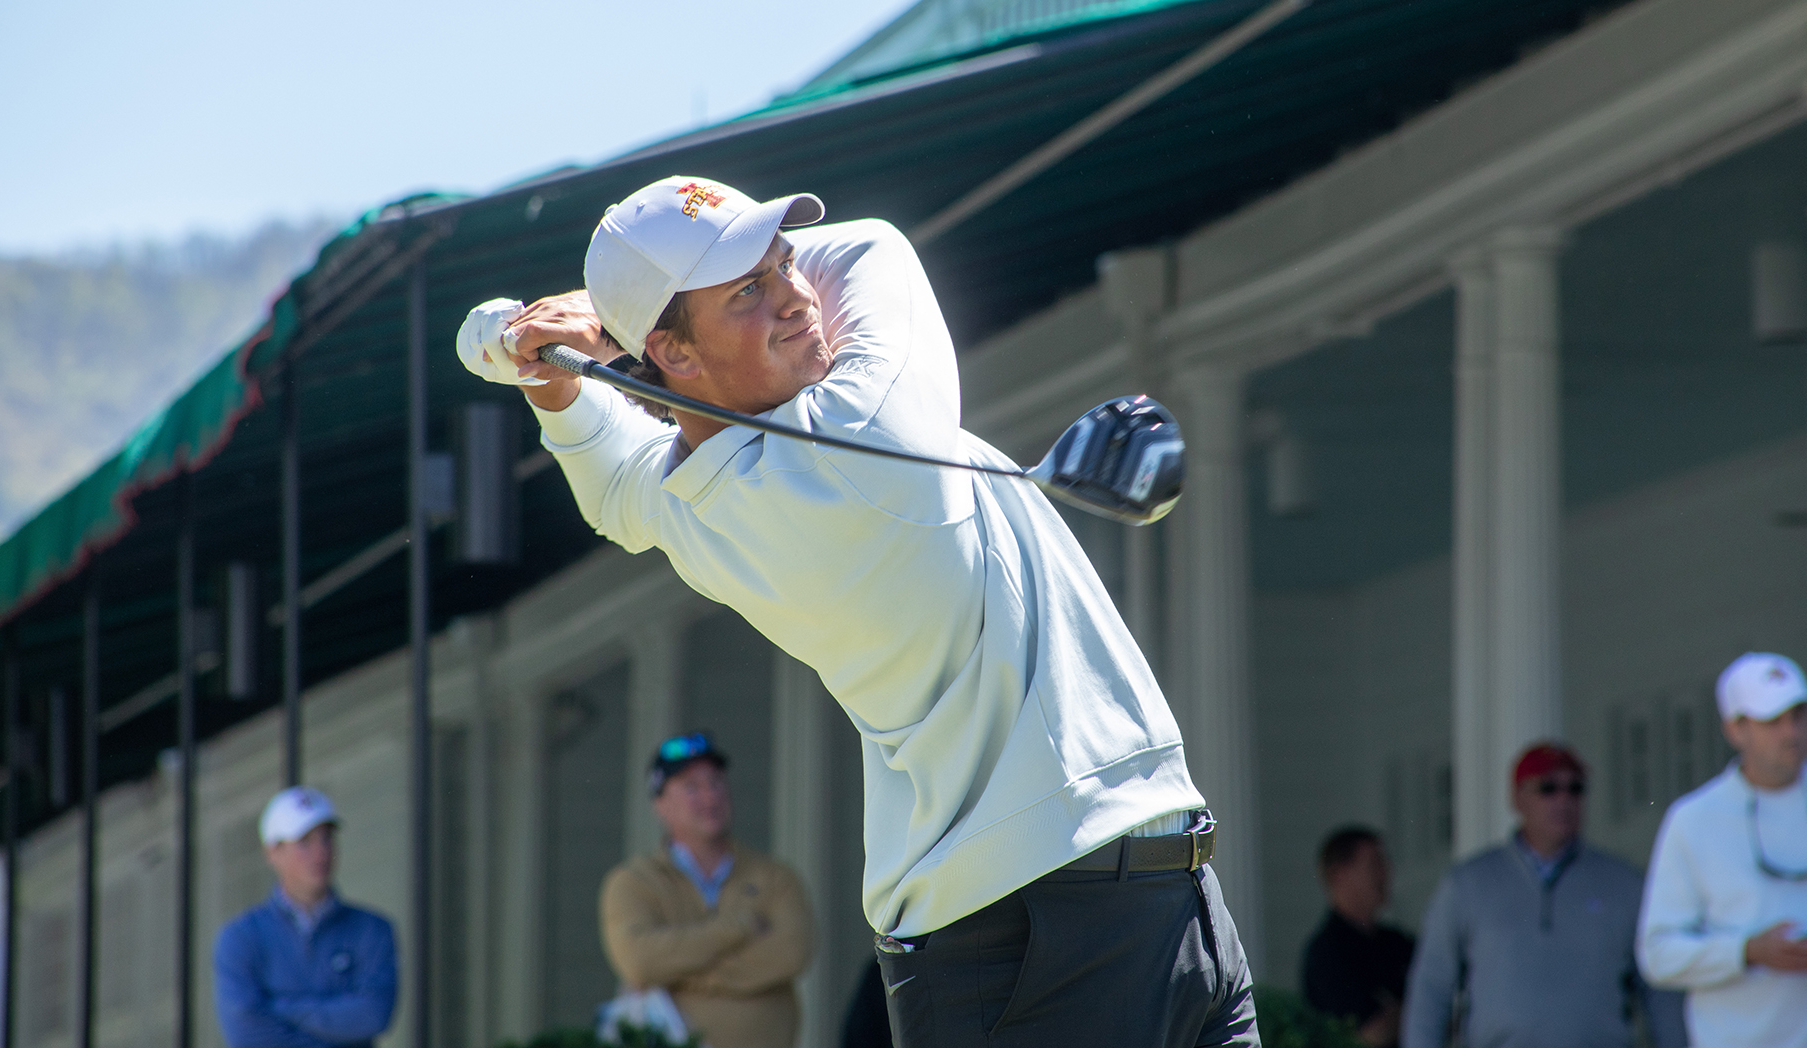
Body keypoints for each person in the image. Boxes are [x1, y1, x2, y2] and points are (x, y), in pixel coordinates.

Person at [454, 176, 1249, 1047]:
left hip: (1145, 902)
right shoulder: (864, 431)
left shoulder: (687, 499)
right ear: (674, 357)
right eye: (748, 290)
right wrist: (604, 326)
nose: (796, 297)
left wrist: (556, 385)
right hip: (1034, 933)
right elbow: (876, 245)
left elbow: (611, 482)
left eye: (785, 262)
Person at [1639, 652, 1807, 1047]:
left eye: (1798, 715)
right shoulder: (1692, 819)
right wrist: (1747, 952)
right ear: (1735, 729)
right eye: (1772, 721)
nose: (1791, 732)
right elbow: (1658, 953)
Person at [1405, 743, 1662, 1048]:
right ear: (1517, 798)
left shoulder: (1625, 885)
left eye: (1575, 788)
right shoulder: (1468, 885)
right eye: (1548, 788)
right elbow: (1431, 990)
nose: (1564, 799)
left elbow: (1659, 989)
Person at [600, 732, 813, 1048]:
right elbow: (639, 961)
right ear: (660, 804)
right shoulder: (632, 882)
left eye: (716, 782)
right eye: (691, 787)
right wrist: (738, 928)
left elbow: (793, 952)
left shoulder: (775, 877)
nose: (710, 796)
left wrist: (677, 977)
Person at [213, 787, 397, 1048]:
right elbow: (247, 1035)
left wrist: (283, 1009)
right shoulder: (241, 938)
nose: (320, 852)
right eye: (304, 842)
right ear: (273, 853)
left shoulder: (372, 930)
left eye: (326, 838)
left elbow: (373, 1016)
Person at [1301, 826, 1413, 1047]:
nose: (1386, 873)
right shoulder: (1326, 955)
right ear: (1339, 876)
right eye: (1375, 864)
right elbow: (1364, 1036)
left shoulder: (1397, 943)